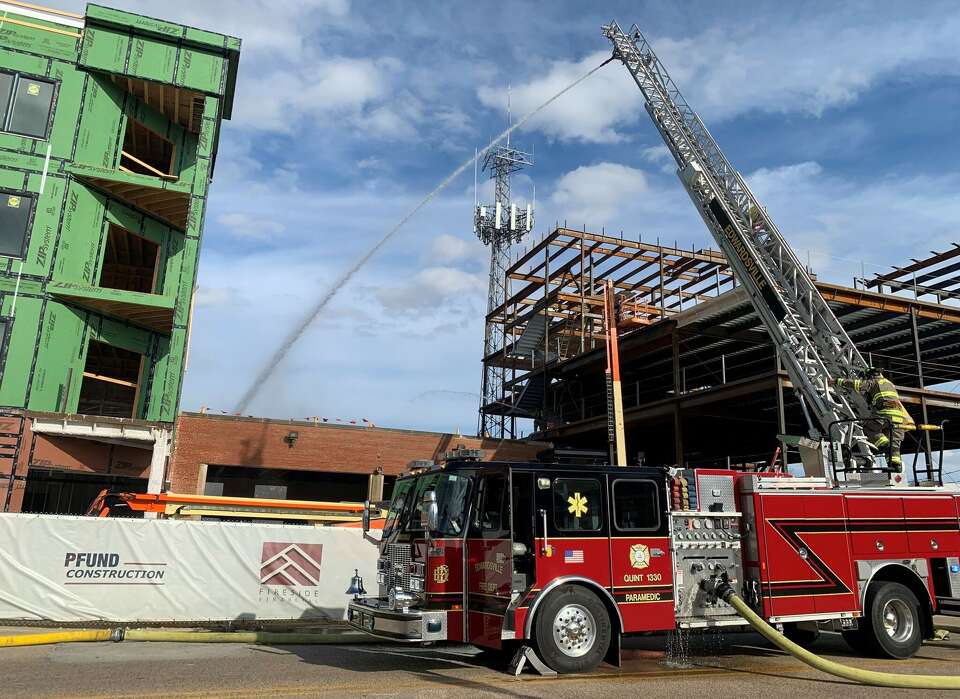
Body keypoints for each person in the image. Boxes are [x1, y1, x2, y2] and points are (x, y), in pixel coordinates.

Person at [834, 367, 915, 470]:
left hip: (884, 414)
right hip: (899, 418)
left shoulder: (874, 382)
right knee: (894, 446)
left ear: (871, 375)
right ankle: (895, 466)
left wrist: (838, 381)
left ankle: (884, 445)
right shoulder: (890, 384)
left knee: (868, 427)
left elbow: (858, 385)